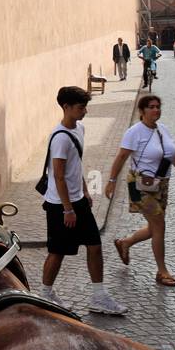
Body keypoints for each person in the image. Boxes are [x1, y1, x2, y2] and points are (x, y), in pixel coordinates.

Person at [39, 86, 128, 316]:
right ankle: (45, 294)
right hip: (60, 205)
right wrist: (68, 209)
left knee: (95, 245)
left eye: (86, 106)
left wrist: (85, 191)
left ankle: (99, 296)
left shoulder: (80, 128)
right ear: (66, 107)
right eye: (81, 107)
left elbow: (75, 165)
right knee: (57, 251)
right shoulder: (59, 138)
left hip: (77, 199)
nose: (85, 111)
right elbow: (58, 175)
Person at [106, 94, 175, 288]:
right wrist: (111, 180)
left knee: (155, 226)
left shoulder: (163, 129)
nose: (156, 110)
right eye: (151, 107)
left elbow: (172, 154)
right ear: (142, 111)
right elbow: (121, 157)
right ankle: (162, 271)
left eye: (158, 107)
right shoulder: (134, 132)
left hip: (160, 184)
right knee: (159, 225)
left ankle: (125, 243)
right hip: (137, 184)